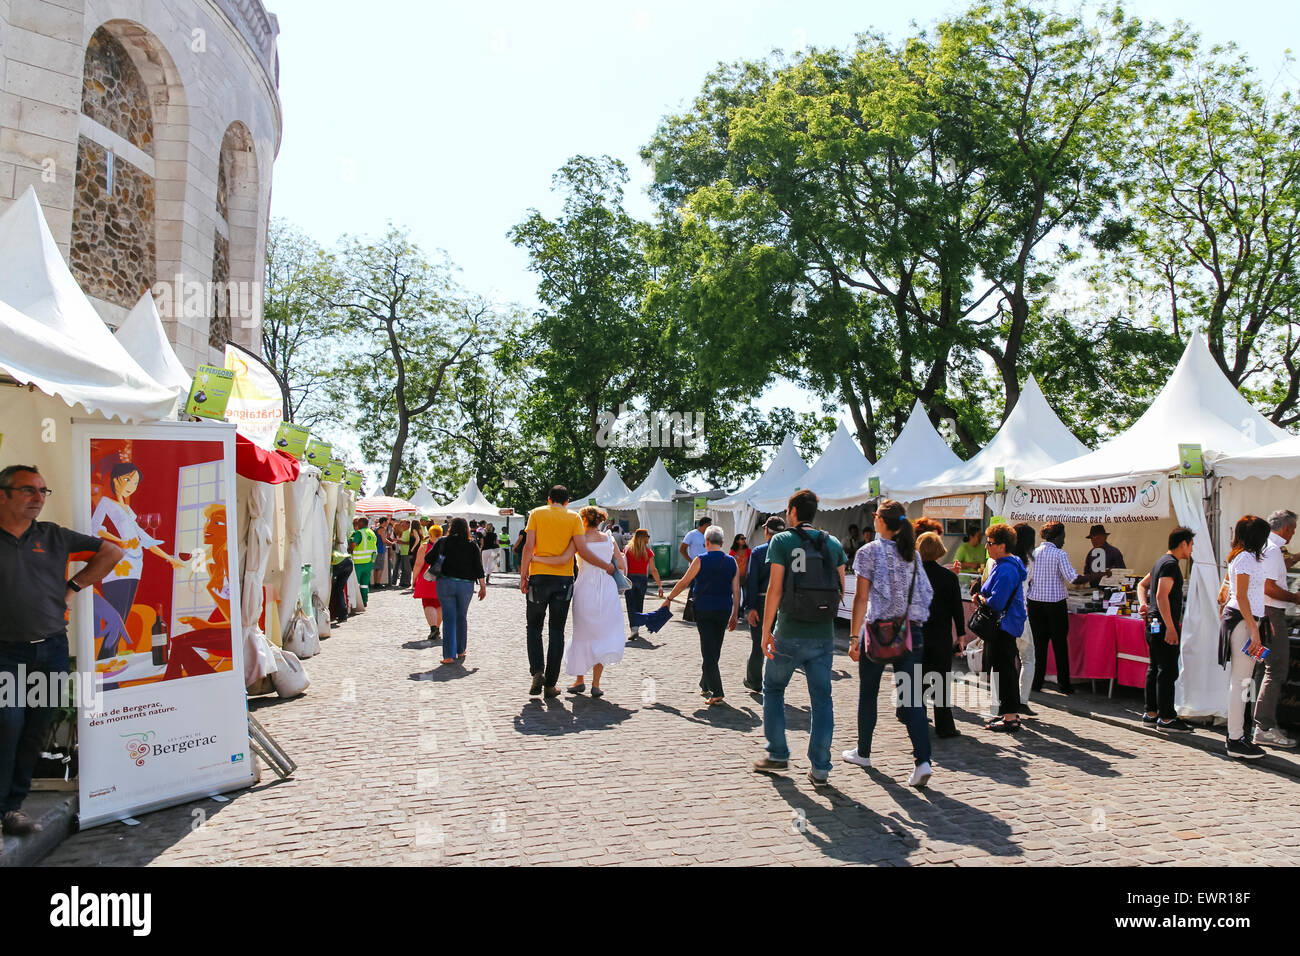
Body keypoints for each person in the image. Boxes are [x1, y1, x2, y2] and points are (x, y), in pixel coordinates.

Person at [0, 465, 123, 835]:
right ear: (2, 494)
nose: (38, 498)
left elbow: (112, 552)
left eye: (42, 491)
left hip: (51, 649)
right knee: (8, 723)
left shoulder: (52, 536)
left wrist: (72, 586)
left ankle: (11, 809)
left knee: (36, 728)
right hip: (6, 653)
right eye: (28, 491)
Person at [752, 490, 847, 786]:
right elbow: (841, 589)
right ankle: (820, 768)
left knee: (774, 690)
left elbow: (775, 589)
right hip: (822, 635)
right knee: (822, 702)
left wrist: (766, 630)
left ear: (793, 511)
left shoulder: (782, 540)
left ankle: (778, 753)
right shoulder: (832, 543)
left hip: (789, 631)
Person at [844, 499, 935, 788]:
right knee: (911, 698)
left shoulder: (867, 552)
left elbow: (860, 598)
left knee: (868, 693)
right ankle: (922, 761)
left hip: (878, 632)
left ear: (879, 520)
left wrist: (853, 637)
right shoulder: (913, 554)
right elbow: (926, 593)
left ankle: (864, 751)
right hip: (911, 631)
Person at [520, 485, 616, 699]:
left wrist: (523, 574)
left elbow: (528, 546)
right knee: (557, 630)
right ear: (567, 502)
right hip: (563, 580)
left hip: (538, 577)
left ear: (548, 499)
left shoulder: (536, 513)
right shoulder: (573, 518)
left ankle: (537, 671)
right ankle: (551, 684)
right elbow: (581, 550)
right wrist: (606, 565)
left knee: (534, 627)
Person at [544, 507, 626, 696]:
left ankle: (579, 680)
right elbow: (621, 564)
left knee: (582, 633)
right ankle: (596, 684)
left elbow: (564, 558)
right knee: (603, 633)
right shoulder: (609, 538)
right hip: (607, 588)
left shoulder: (579, 539)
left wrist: (540, 558)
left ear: (582, 520)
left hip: (585, 587)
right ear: (600, 521)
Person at [90, 460, 184, 622]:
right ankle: (107, 649)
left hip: (135, 564)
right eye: (127, 480)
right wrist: (118, 541)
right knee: (116, 619)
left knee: (122, 619)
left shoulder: (129, 510)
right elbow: (93, 527)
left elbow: (145, 539)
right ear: (115, 479)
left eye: (135, 483)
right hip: (120, 565)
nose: (131, 486)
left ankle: (112, 648)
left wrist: (169, 558)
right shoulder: (106, 503)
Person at [662, 525, 740, 705]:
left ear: (706, 542)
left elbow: (684, 582)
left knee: (708, 650)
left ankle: (717, 692)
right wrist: (735, 613)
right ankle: (705, 683)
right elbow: (736, 590)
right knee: (715, 648)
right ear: (722, 542)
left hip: (704, 608)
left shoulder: (700, 560)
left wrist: (670, 597)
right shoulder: (731, 561)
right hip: (724, 608)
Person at [1219, 515, 1272, 759]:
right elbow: (1240, 596)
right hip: (1243, 622)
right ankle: (1236, 737)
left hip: (1247, 621)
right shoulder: (1245, 558)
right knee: (1241, 682)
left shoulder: (1246, 557)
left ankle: (1239, 734)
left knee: (1243, 681)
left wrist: (1259, 624)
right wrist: (1254, 628)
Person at [1136, 527, 1196, 732]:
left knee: (1155, 666)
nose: (1192, 549)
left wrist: (1143, 604)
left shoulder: (1161, 561)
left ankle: (1151, 712)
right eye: (1191, 544)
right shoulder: (1170, 565)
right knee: (1167, 670)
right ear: (1183, 544)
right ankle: (1167, 718)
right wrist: (1171, 627)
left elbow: (1142, 586)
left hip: (1153, 622)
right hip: (1162, 623)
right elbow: (1162, 596)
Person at [976, 523, 1031, 731]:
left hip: (1004, 624)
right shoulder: (1006, 563)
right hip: (1007, 623)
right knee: (1004, 668)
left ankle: (1010, 717)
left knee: (1006, 670)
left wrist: (981, 598)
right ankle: (1009, 714)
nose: (987, 547)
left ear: (1002, 545)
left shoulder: (1007, 569)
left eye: (990, 544)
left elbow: (997, 602)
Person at [1253, 510, 1300, 746]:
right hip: (1272, 615)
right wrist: (1295, 598)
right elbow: (1269, 588)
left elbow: (1279, 568)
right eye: (1293, 530)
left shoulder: (1268, 546)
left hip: (1265, 614)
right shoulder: (1272, 549)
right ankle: (1265, 726)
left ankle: (1261, 723)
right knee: (1276, 670)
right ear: (1286, 528)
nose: (1293, 534)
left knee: (1266, 669)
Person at [1027, 521, 1084, 695]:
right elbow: (1073, 578)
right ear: (1057, 536)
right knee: (1060, 646)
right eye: (1063, 537)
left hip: (1035, 603)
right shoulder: (1060, 554)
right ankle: (1064, 684)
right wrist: (1099, 575)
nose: (1064, 541)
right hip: (1055, 605)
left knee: (1039, 646)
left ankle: (1036, 682)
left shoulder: (1033, 553)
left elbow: (1027, 578)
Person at [917, 531, 963, 738]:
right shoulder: (949, 577)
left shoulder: (913, 575)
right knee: (942, 681)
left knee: (916, 681)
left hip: (918, 633)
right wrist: (961, 634)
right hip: (941, 635)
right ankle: (945, 726)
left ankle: (916, 722)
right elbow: (957, 609)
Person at [424, 518, 486, 664]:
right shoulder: (472, 544)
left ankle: (448, 656)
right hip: (466, 585)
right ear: (466, 529)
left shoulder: (443, 542)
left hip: (445, 583)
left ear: (450, 527)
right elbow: (478, 566)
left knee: (449, 617)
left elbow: (428, 558)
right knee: (461, 616)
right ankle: (461, 649)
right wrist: (483, 586)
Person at [742, 516, 785, 692]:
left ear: (767, 531)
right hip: (783, 602)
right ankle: (777, 682)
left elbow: (751, 581)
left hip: (762, 600)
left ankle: (754, 680)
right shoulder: (789, 550)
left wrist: (750, 607)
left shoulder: (759, 552)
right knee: (780, 644)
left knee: (758, 643)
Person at [623, 528, 663, 642]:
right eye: (647, 536)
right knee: (639, 603)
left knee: (630, 604)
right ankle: (636, 626)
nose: (648, 538)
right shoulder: (648, 552)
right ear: (643, 538)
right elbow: (653, 570)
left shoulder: (627, 550)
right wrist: (659, 586)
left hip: (629, 578)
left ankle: (634, 629)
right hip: (641, 579)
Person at [411, 524, 443, 642]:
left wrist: (414, 579)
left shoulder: (424, 546)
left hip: (427, 577)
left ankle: (433, 628)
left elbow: (418, 564)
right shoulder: (445, 545)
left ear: (429, 534)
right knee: (440, 604)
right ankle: (438, 628)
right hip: (441, 578)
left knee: (428, 603)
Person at [348, 517, 377, 605]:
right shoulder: (371, 532)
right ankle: (364, 601)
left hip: (358, 562)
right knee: (365, 584)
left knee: (356, 583)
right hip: (369, 562)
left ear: (360, 523)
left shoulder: (358, 533)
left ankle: (356, 602)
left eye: (357, 523)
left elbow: (353, 545)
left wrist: (349, 550)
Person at [329, 547, 354, 623]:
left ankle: (339, 614)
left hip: (340, 565)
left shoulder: (324, 555)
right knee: (339, 589)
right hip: (349, 563)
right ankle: (343, 615)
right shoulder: (331, 550)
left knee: (335, 589)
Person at [371, 516, 389, 589]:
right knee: (380, 567)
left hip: (375, 550)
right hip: (380, 550)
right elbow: (384, 540)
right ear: (384, 522)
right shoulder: (382, 529)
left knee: (375, 568)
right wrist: (392, 543)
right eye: (386, 522)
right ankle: (378, 583)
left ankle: (376, 582)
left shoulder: (376, 529)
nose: (387, 523)